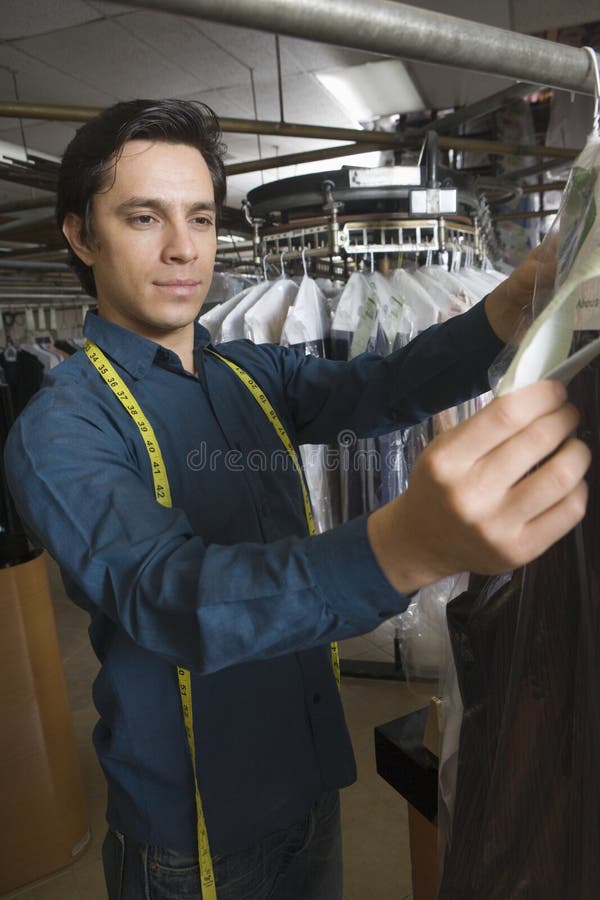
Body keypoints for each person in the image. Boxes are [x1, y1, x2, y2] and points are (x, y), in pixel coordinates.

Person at [4, 99, 589, 900]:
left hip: (308, 781)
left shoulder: (249, 370)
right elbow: (165, 593)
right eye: (144, 217)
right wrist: (398, 549)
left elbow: (384, 386)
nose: (183, 249)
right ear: (80, 234)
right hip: (196, 828)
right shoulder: (62, 425)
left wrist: (512, 301)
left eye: (201, 219)